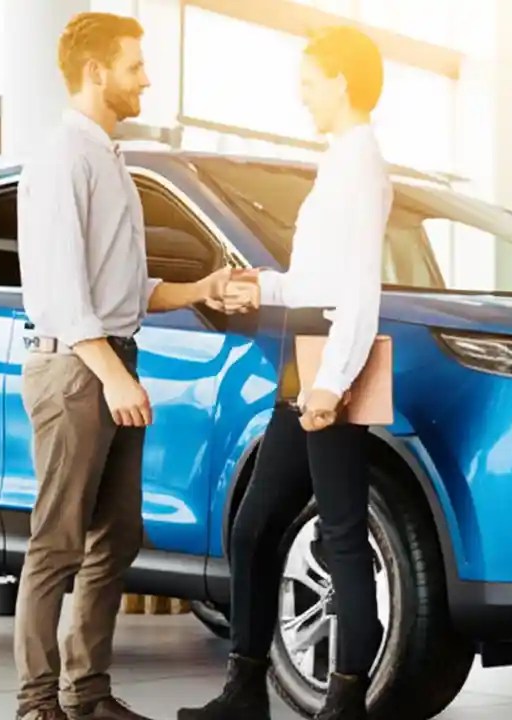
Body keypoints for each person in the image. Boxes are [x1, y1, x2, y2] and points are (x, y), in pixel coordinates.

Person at [14, 12, 233, 720]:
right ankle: (35, 703)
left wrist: (199, 290)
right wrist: (113, 376)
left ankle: (87, 694)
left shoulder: (110, 157)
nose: (146, 79)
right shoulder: (62, 156)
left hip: (112, 360)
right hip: (78, 369)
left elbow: (121, 288)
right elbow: (62, 291)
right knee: (57, 542)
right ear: (97, 71)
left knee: (118, 536)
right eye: (136, 66)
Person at [178, 26, 392, 720]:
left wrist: (334, 381)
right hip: (306, 348)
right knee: (253, 526)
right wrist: (262, 290)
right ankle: (245, 689)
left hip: (334, 354)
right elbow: (316, 278)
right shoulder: (339, 161)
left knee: (340, 531)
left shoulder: (362, 163)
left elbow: (361, 287)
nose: (302, 97)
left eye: (308, 82)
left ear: (341, 80)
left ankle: (347, 701)